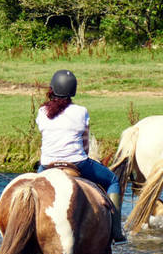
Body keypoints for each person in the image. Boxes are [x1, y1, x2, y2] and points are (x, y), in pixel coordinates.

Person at [36, 69, 126, 243]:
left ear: (52, 89)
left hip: (47, 165)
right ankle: (116, 230)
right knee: (113, 180)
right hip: (77, 163)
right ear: (73, 91)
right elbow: (85, 144)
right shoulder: (81, 111)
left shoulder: (42, 112)